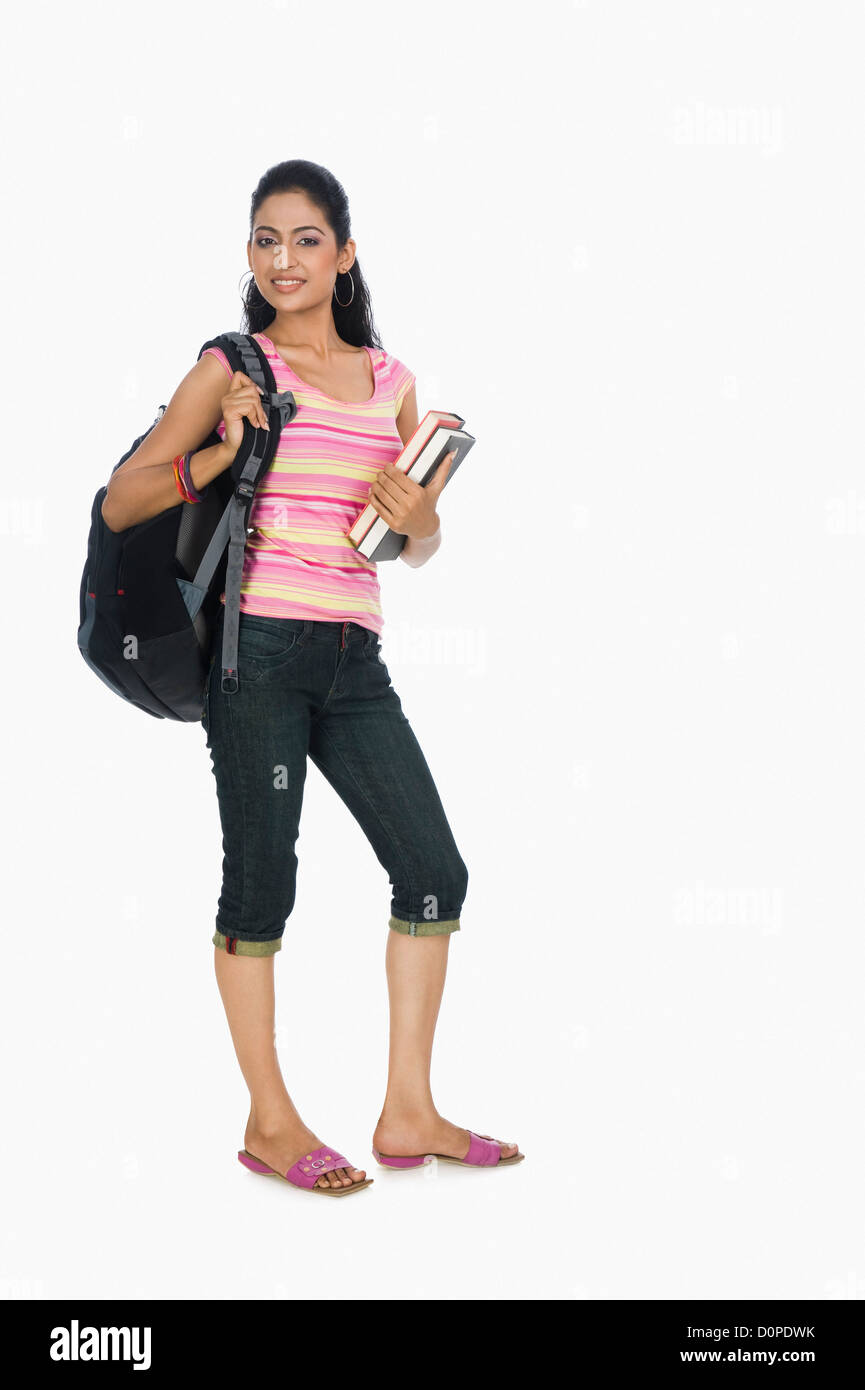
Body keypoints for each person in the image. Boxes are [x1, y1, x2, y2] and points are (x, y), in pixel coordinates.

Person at [102, 159, 522, 1197]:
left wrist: (421, 528)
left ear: (344, 252)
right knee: (263, 884)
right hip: (259, 654)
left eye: (302, 239)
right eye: (263, 240)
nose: (281, 260)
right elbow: (123, 501)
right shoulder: (234, 365)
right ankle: (271, 1120)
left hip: (353, 657)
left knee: (434, 870)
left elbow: (402, 550)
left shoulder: (391, 381)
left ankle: (407, 1109)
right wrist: (218, 449)